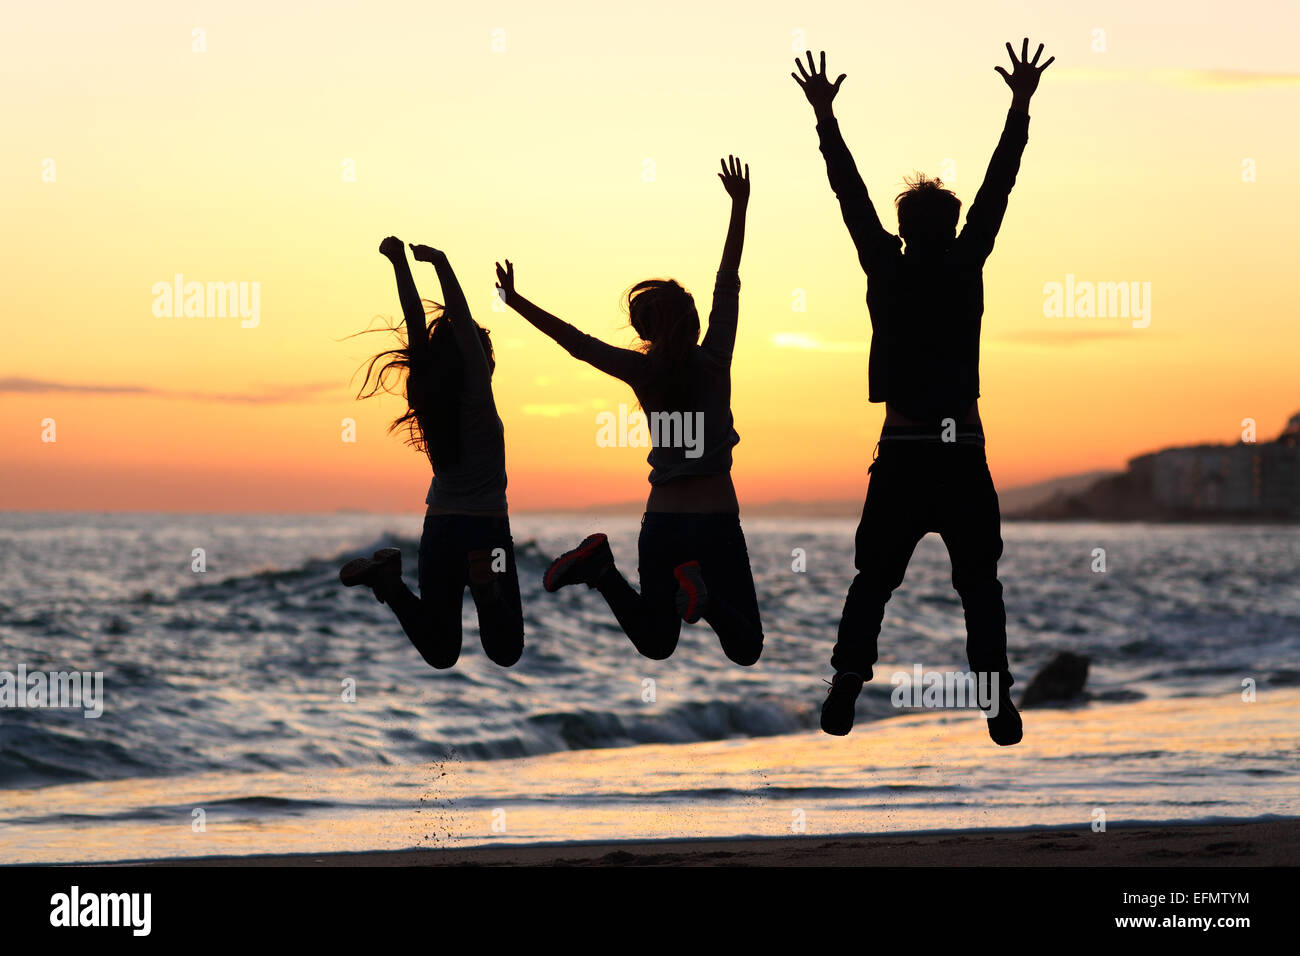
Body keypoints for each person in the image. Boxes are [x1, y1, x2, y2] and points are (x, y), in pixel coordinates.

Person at [794, 41, 1055, 744]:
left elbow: (846, 192)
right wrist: (1020, 104)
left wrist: (825, 116)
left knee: (872, 582)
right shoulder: (967, 262)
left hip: (904, 448)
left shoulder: (884, 265)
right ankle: (994, 693)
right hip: (960, 449)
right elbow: (1001, 184)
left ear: (903, 229)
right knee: (980, 585)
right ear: (950, 228)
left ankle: (849, 676)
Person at [493, 156, 763, 665]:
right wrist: (740, 206)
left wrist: (516, 300)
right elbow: (729, 277)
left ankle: (600, 571)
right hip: (715, 519)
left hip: (662, 522)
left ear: (644, 332)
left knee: (657, 643)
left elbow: (576, 342)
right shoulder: (716, 358)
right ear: (692, 320)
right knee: (746, 646)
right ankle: (700, 599)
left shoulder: (641, 372)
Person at [338, 237, 523, 669]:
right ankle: (485, 589)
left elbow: (415, 326)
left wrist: (399, 263)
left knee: (441, 652)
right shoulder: (477, 394)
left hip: (440, 530)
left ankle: (390, 584)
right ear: (480, 359)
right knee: (506, 649)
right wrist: (440, 263)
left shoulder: (427, 395)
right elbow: (459, 320)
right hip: (488, 534)